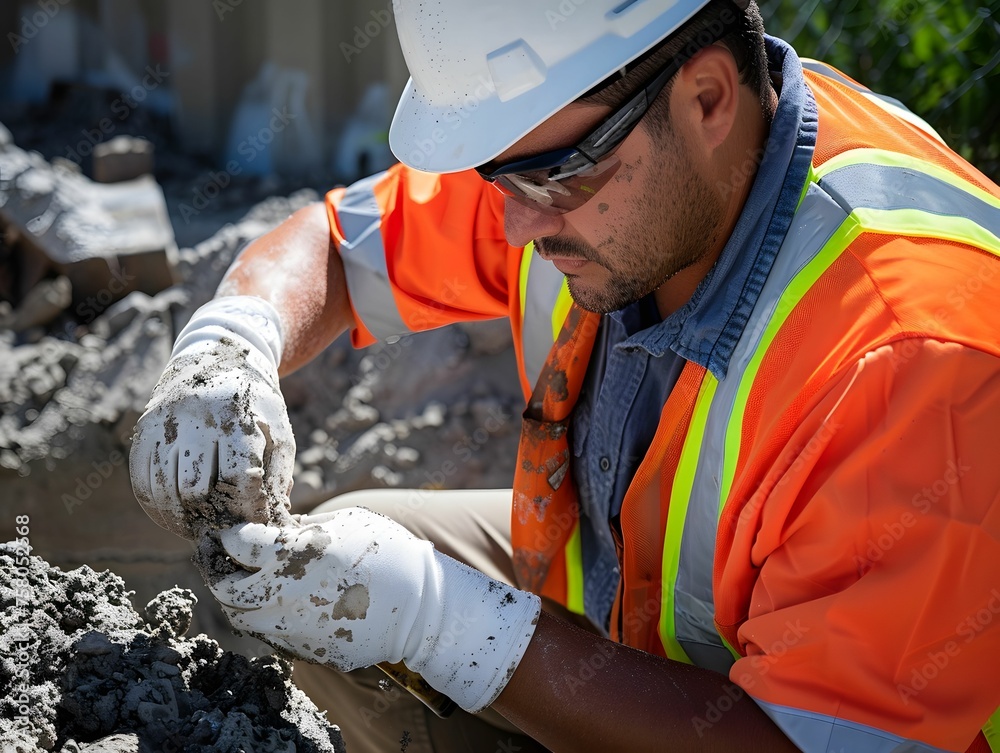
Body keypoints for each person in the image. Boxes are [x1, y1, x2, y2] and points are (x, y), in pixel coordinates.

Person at [129, 0, 1000, 751]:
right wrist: (231, 339)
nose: (510, 226)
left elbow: (810, 741)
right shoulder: (588, 139)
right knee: (350, 566)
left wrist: (453, 625)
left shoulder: (915, 368)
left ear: (708, 99)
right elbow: (342, 247)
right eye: (493, 174)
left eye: (547, 178)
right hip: (656, 627)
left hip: (811, 716)